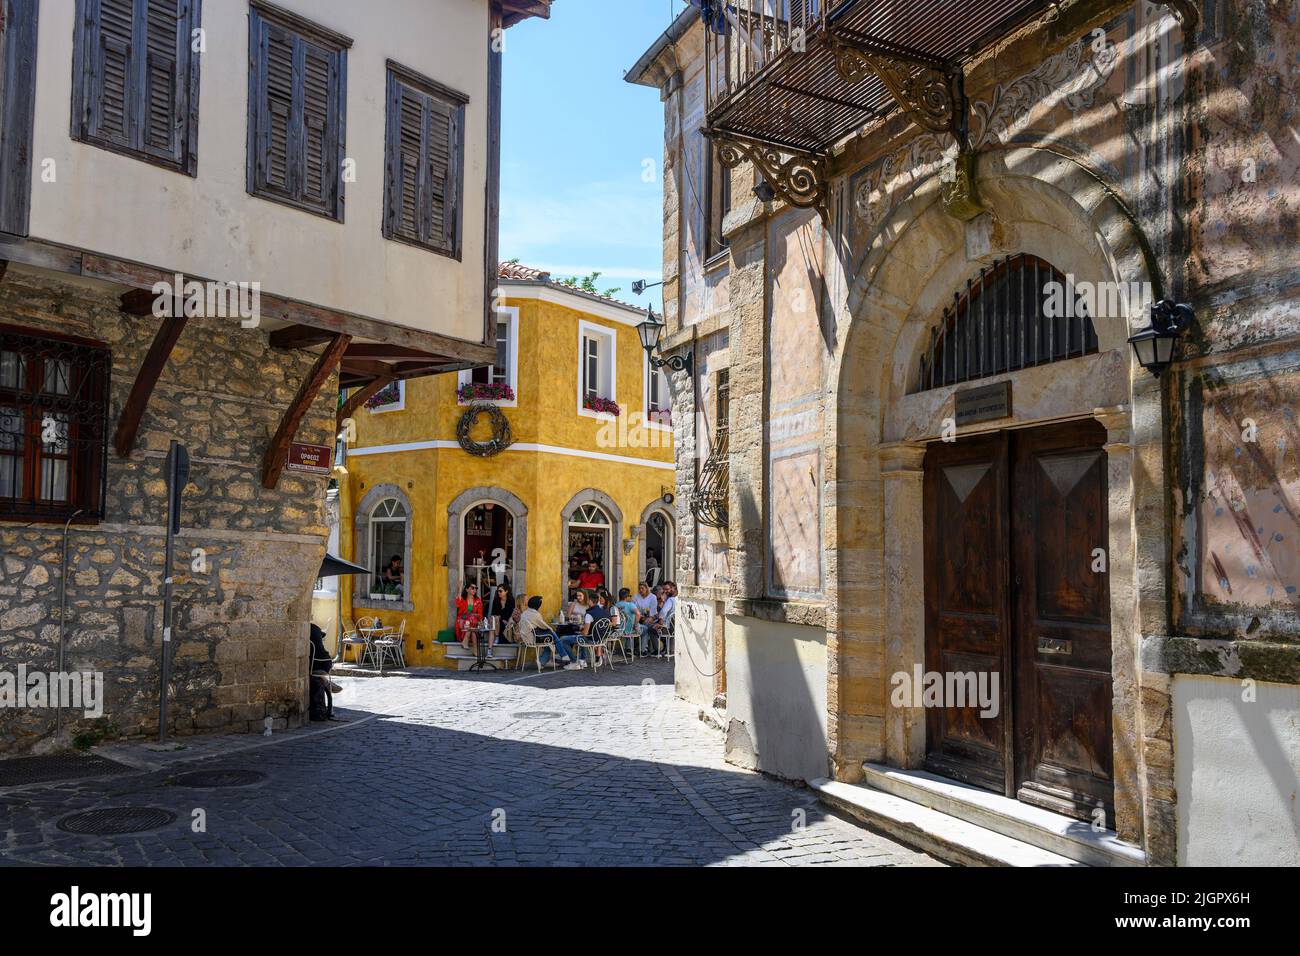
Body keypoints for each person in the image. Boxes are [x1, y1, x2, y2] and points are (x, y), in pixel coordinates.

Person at [518, 596, 576, 667]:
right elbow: (543, 625)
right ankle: (564, 656)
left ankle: (542, 661)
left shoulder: (525, 613)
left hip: (526, 637)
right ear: (537, 605)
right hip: (532, 638)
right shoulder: (535, 614)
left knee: (549, 640)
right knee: (552, 635)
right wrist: (551, 629)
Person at [572, 589, 613, 670]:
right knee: (581, 638)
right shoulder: (606, 612)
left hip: (592, 639)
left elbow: (585, 633)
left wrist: (581, 631)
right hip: (602, 639)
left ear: (590, 601)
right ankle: (582, 660)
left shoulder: (589, 614)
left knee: (565, 639)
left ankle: (574, 661)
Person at [645, 581, 677, 657]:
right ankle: (668, 649)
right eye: (664, 590)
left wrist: (660, 623)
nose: (665, 591)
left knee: (651, 629)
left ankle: (657, 651)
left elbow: (663, 611)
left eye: (667, 589)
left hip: (668, 628)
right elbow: (661, 611)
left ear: (673, 588)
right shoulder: (676, 599)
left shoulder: (670, 600)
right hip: (675, 627)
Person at [455, 583, 484, 647]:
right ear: (467, 589)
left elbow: (480, 614)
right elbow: (458, 603)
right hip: (463, 618)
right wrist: (459, 590)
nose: (474, 590)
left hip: (473, 620)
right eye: (472, 588)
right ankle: (474, 650)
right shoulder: (463, 599)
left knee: (471, 619)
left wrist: (477, 616)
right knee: (469, 622)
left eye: (476, 588)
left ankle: (466, 639)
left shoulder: (478, 600)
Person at [633, 581, 658, 655]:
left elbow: (653, 610)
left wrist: (649, 618)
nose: (640, 590)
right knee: (645, 626)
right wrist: (641, 617)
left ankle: (644, 648)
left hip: (651, 617)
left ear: (646, 589)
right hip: (639, 617)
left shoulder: (652, 597)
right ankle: (644, 648)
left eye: (642, 588)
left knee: (647, 625)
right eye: (639, 588)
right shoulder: (636, 597)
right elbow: (634, 608)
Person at [615, 587, 640, 655]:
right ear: (627, 597)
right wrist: (636, 624)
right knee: (646, 629)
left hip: (619, 629)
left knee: (629, 628)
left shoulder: (615, 605)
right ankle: (643, 650)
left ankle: (628, 648)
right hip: (629, 629)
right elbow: (638, 614)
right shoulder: (630, 605)